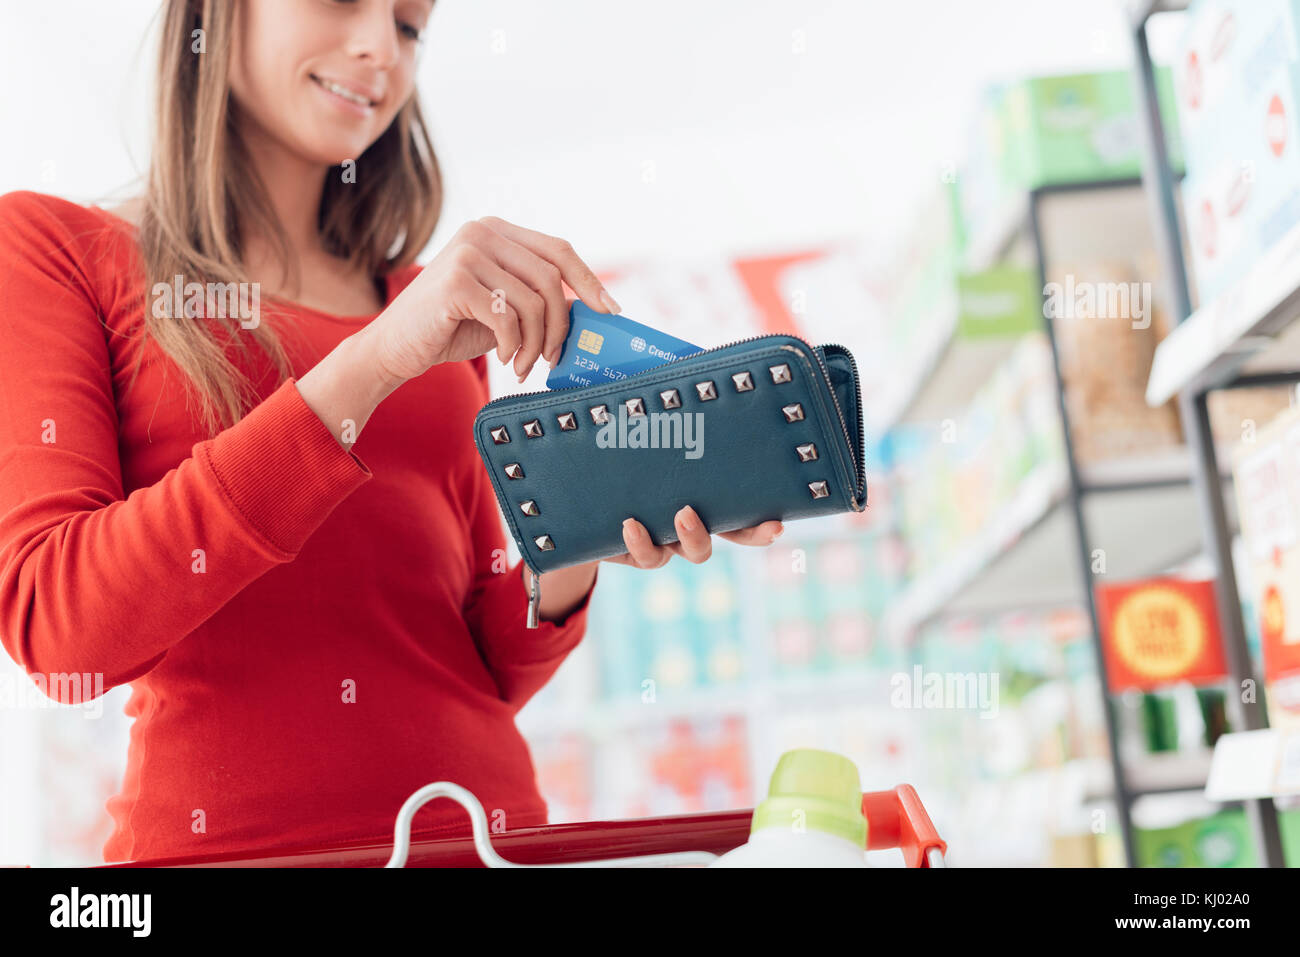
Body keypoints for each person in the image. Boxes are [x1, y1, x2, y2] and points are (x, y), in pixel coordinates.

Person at [0, 0, 783, 863]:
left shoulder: (430, 315)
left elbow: (488, 668)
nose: (379, 48)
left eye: (410, 26)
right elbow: (57, 626)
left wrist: (586, 516)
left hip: (491, 839)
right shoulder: (54, 247)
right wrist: (375, 360)